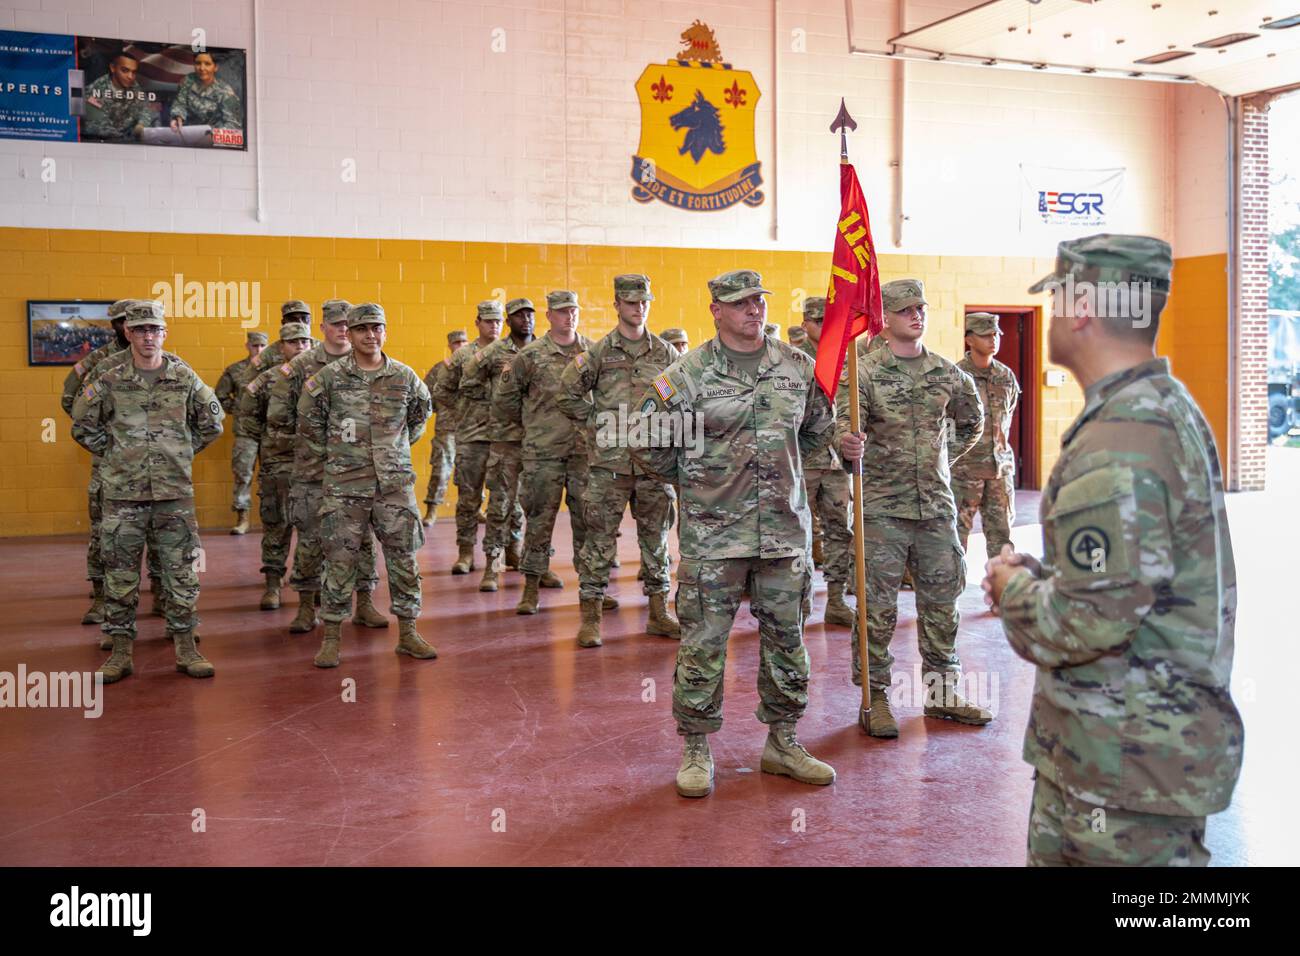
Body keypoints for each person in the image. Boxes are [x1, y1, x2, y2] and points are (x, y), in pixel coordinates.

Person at [983, 234, 1244, 866]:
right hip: (1122, 752)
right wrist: (1050, 573)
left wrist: (1010, 587)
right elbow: (1136, 573)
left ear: (1082, 309)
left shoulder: (1123, 438)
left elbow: (1083, 622)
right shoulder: (1157, 407)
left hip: (1125, 765)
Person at [632, 270, 837, 798]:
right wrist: (697, 480)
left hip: (785, 534)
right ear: (716, 310)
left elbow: (818, 431)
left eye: (759, 301)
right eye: (740, 303)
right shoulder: (686, 373)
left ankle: (784, 741)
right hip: (713, 538)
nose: (754, 310)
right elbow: (645, 439)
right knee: (703, 645)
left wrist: (799, 472)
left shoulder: (797, 366)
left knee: (788, 641)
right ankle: (697, 748)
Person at [837, 278, 990, 737]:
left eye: (920, 308)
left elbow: (973, 420)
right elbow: (842, 429)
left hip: (936, 510)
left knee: (942, 605)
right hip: (881, 510)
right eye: (905, 310)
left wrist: (942, 459)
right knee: (877, 611)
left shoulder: (946, 372)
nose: (916, 315)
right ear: (885, 319)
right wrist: (847, 446)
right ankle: (875, 697)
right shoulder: (863, 372)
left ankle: (943, 695)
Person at [70, 300, 224, 683]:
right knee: (120, 574)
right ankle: (120, 651)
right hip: (123, 494)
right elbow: (81, 423)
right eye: (140, 330)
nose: (148, 336)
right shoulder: (109, 377)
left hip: (174, 494)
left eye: (154, 329)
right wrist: (117, 455)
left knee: (182, 571)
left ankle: (186, 647)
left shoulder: (184, 377)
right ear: (128, 333)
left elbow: (213, 422)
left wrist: (182, 451)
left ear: (164, 333)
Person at [297, 303, 436, 668]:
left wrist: (395, 450)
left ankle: (408, 633)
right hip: (345, 486)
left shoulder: (404, 377)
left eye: (376, 328)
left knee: (404, 559)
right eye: (361, 329)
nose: (370, 335)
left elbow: (420, 417)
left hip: (393, 486)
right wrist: (338, 457)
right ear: (351, 333)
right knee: (339, 561)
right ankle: (331, 638)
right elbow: (309, 423)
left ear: (385, 332)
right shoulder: (329, 377)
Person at [558, 274, 680, 647]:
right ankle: (591, 617)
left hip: (652, 466)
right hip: (609, 466)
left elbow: (681, 399)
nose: (638, 307)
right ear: (617, 305)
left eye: (644, 301)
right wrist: (596, 422)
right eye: (630, 302)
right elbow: (567, 394)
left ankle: (659, 612)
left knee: (656, 541)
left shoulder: (665, 353)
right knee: (598, 542)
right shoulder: (598, 352)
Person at [266, 299, 387, 634]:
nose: (344, 330)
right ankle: (306, 607)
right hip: (313, 472)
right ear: (322, 327)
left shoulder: (365, 362)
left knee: (362, 538)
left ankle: (364, 603)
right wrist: (314, 447)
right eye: (336, 324)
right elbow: (279, 418)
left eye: (349, 324)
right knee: (311, 537)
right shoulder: (302, 366)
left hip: (358, 472)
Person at [494, 290, 593, 614]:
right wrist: (533, 429)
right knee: (538, 522)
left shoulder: (592, 351)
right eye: (563, 311)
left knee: (587, 524)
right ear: (549, 315)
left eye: (574, 310)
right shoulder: (531, 355)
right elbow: (505, 401)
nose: (570, 316)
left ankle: (591, 592)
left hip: (583, 454)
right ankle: (531, 589)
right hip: (542, 453)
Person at [238, 323, 314, 611]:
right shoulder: (266, 380)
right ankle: (272, 585)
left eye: (305, 342)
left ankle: (311, 585)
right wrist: (273, 443)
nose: (300, 347)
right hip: (278, 466)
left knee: (314, 529)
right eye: (293, 342)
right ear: (281, 347)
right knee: (275, 525)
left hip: (314, 466)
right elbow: (247, 418)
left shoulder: (325, 379)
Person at [462, 298, 533, 591]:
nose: (525, 320)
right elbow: (468, 380)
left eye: (530, 315)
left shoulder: (543, 350)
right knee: (500, 502)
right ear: (508, 320)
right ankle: (492, 564)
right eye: (519, 316)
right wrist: (496, 402)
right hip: (504, 439)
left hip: (538, 439)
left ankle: (523, 558)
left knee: (533, 505)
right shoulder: (494, 352)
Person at [797, 297, 854, 627]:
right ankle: (801, 601)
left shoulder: (846, 358)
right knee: (799, 535)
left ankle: (835, 600)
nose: (823, 326)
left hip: (836, 463)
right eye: (817, 321)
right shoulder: (793, 360)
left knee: (838, 532)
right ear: (805, 323)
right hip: (804, 460)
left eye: (827, 321)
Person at [435, 302, 504, 574]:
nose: (493, 326)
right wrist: (464, 413)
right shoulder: (463, 356)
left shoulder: (514, 353)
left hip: (505, 438)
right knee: (468, 499)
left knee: (507, 501)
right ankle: (465, 553)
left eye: (498, 321)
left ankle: (509, 550)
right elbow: (442, 390)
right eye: (488, 321)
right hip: (472, 438)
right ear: (478, 322)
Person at [952, 312, 1022, 560]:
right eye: (985, 335)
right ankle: (950, 596)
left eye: (996, 334)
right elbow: (946, 423)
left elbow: (1008, 416)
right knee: (956, 538)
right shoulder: (956, 377)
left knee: (1002, 539)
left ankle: (1002, 595)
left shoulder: (1006, 377)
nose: (993, 340)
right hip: (964, 472)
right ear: (969, 339)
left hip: (999, 471)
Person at [216, 331, 269, 535]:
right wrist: (237, 409)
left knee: (271, 478)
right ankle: (243, 519)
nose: (258, 350)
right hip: (245, 431)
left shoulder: (275, 370)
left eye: (262, 346)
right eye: (255, 346)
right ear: (247, 346)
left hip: (271, 433)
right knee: (242, 475)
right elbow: (220, 396)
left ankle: (270, 521)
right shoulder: (235, 370)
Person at [423, 330, 468, 526]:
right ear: (450, 346)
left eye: (463, 342)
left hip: (471, 429)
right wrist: (443, 409)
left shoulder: (476, 367)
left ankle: (474, 510)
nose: (459, 346)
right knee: (440, 470)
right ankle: (432, 511)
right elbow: (425, 398)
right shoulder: (439, 369)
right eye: (455, 343)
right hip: (447, 429)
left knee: (471, 472)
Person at [82, 51, 155, 141]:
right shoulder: (94, 91)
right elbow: (98, 127)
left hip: (128, 137)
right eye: (125, 70)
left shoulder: (133, 85)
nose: (130, 76)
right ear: (113, 68)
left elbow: (145, 109)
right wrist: (129, 138)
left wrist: (141, 125)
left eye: (134, 72)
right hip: (103, 142)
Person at [169, 50, 242, 131]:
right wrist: (177, 117)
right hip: (187, 132)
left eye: (207, 64)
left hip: (212, 136)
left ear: (216, 67)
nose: (202, 68)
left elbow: (233, 124)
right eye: (198, 63)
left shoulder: (226, 92)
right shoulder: (188, 80)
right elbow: (180, 103)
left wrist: (213, 135)